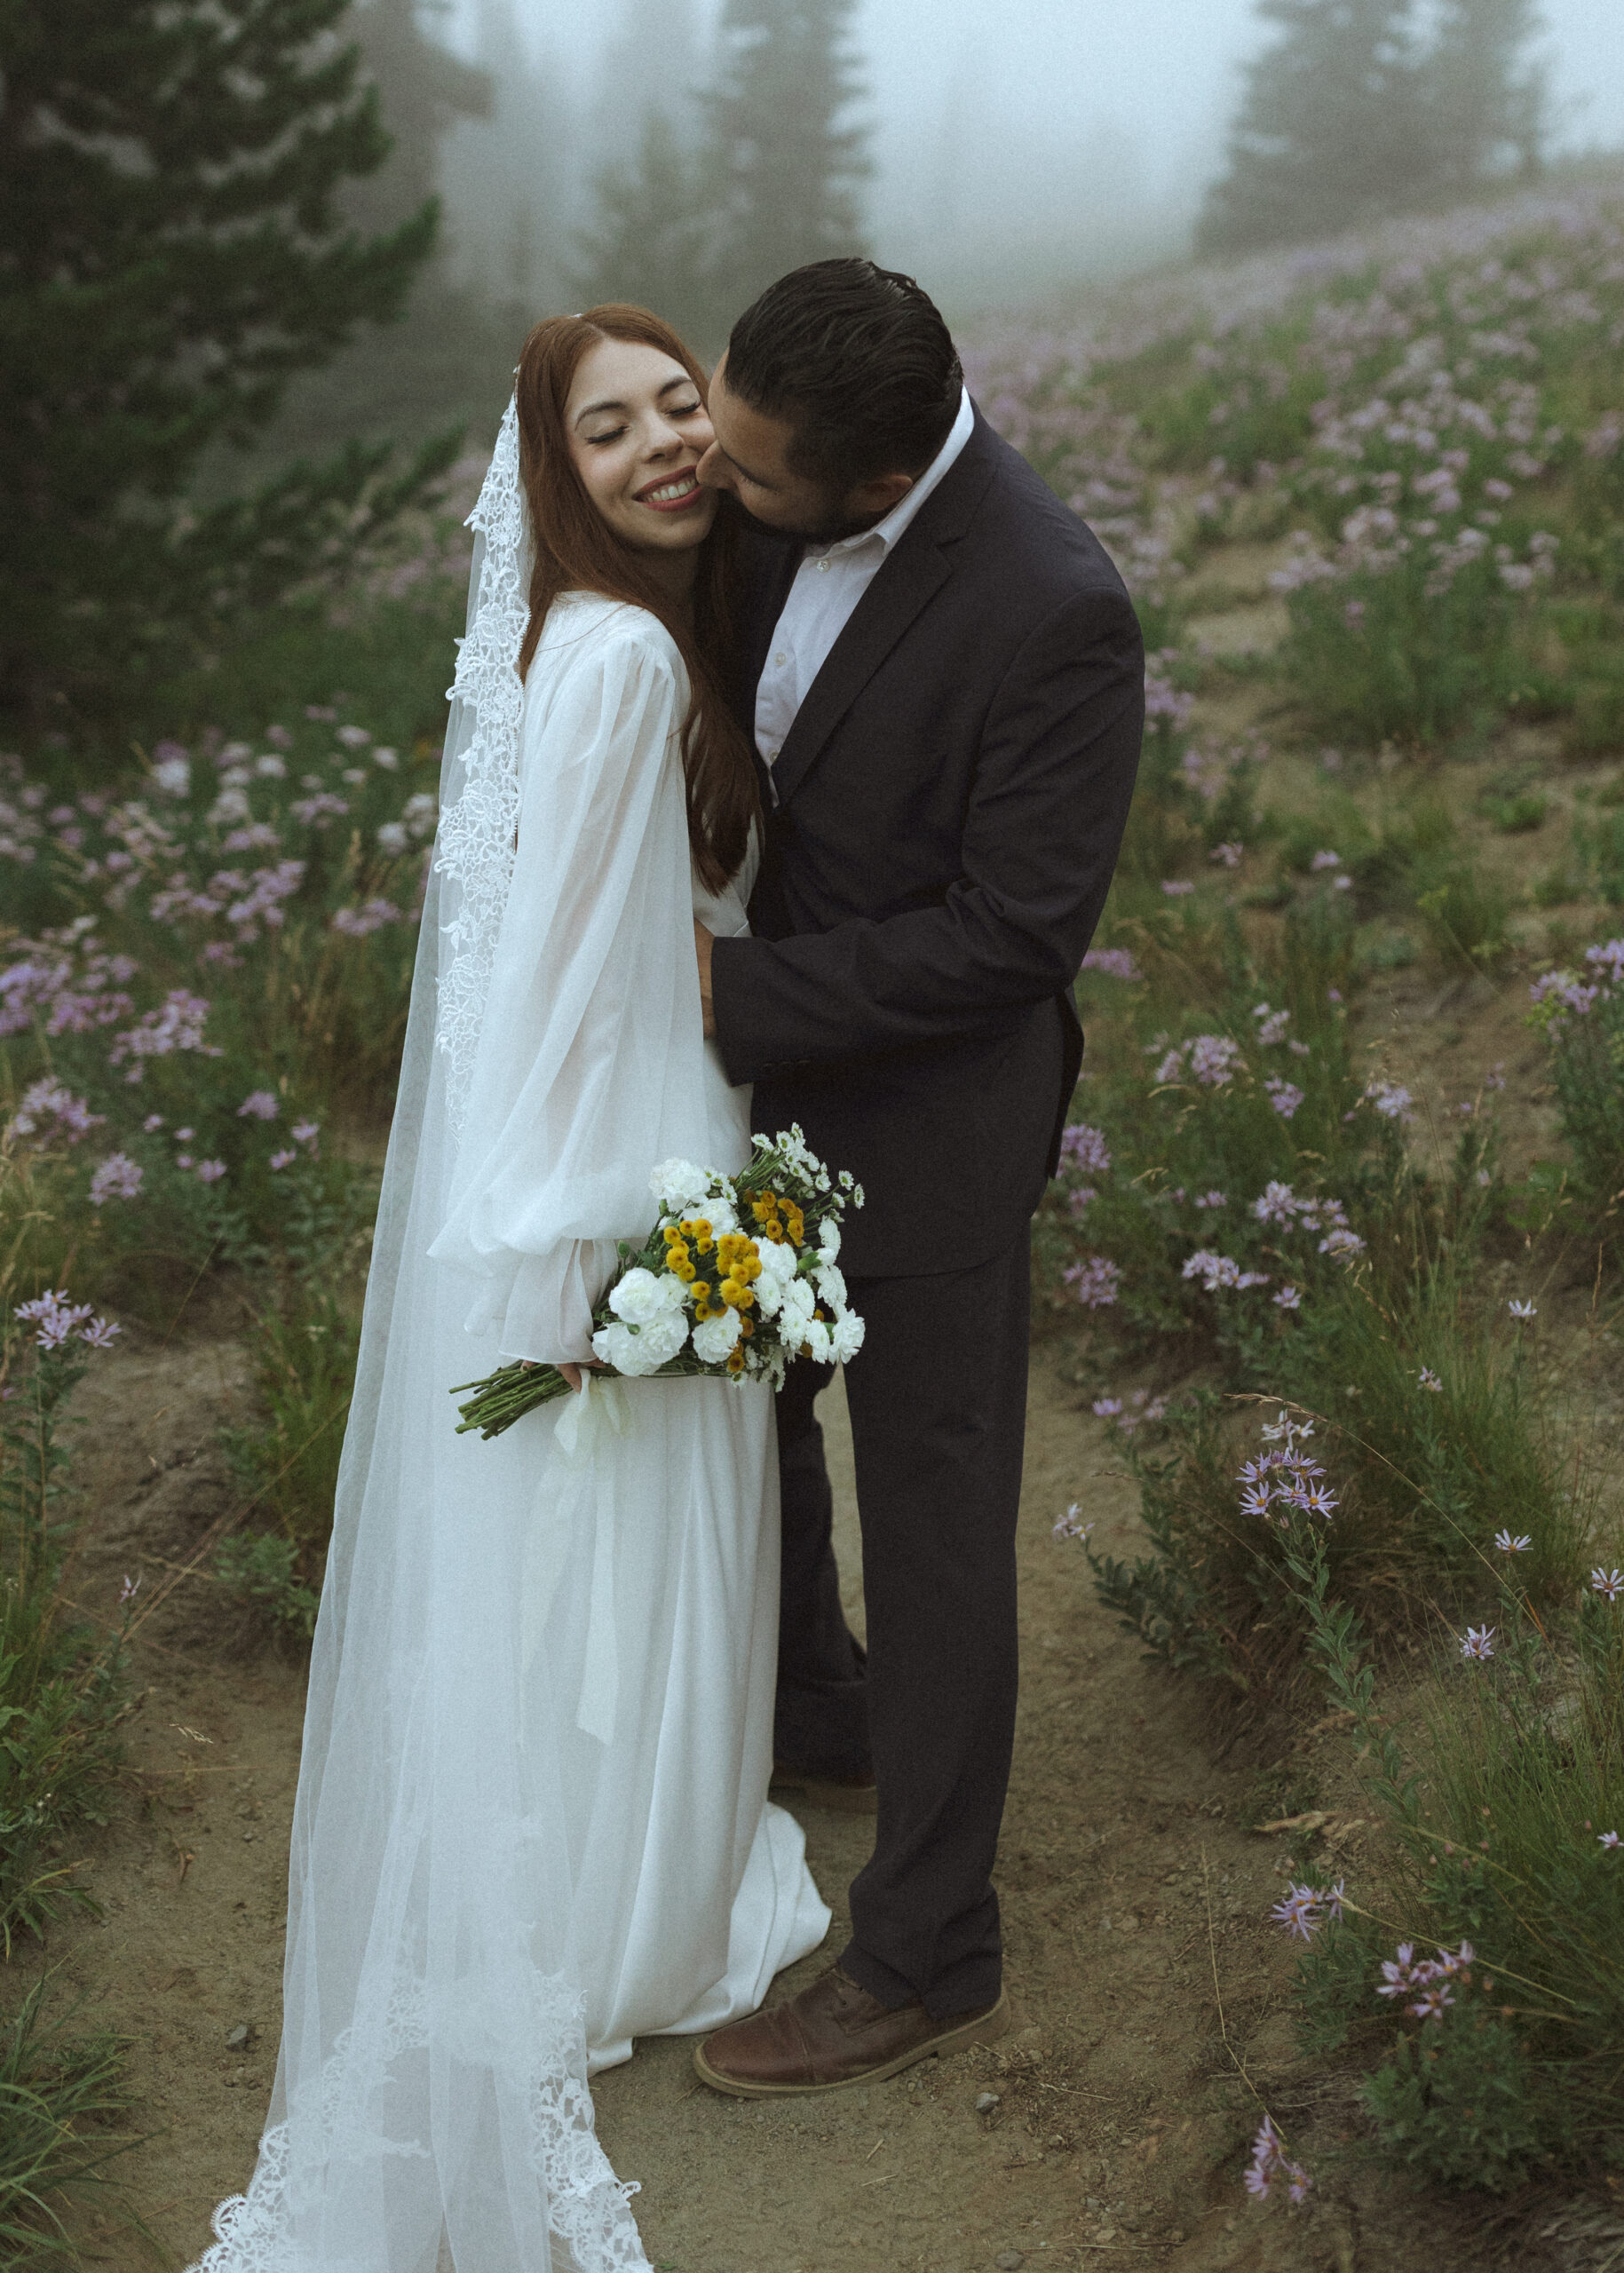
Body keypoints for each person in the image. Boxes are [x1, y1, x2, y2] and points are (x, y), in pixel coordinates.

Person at [188, 307, 828, 2273]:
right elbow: (545, 968)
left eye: (675, 413)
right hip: (617, 1158)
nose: (662, 449)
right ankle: (630, 1917)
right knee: (626, 1542)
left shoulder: (584, 637)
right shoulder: (626, 651)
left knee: (591, 1558)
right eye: (610, 426)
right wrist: (577, 1231)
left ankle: (596, 1883)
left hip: (624, 1134)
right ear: (553, 469)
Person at [688, 259, 1144, 2096]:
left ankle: (929, 1946)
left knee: (939, 1524)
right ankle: (825, 1709)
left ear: (877, 486)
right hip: (760, 1100)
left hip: (933, 1135)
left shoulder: (1054, 606)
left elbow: (1015, 933)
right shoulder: (772, 474)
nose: (720, 485)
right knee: (747, 1401)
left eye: (753, 471)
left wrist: (734, 992)